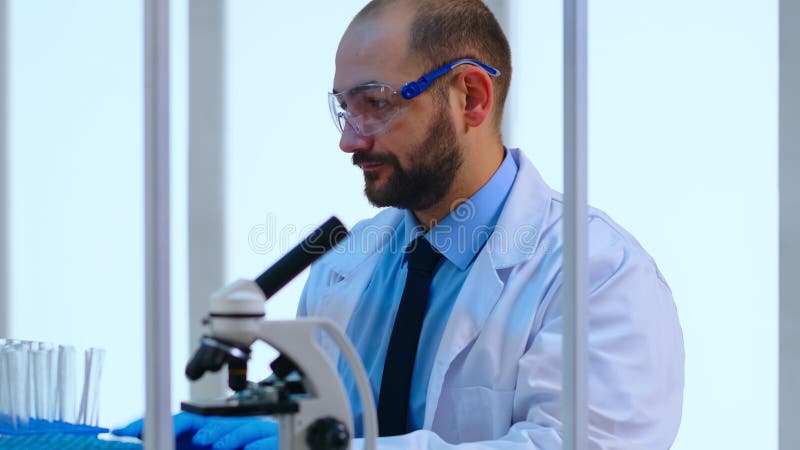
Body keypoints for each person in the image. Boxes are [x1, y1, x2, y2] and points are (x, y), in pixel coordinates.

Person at [116, 0, 684, 449]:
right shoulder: (342, 265)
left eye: (376, 104)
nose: (349, 139)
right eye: (343, 108)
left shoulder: (597, 275)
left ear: (471, 98)